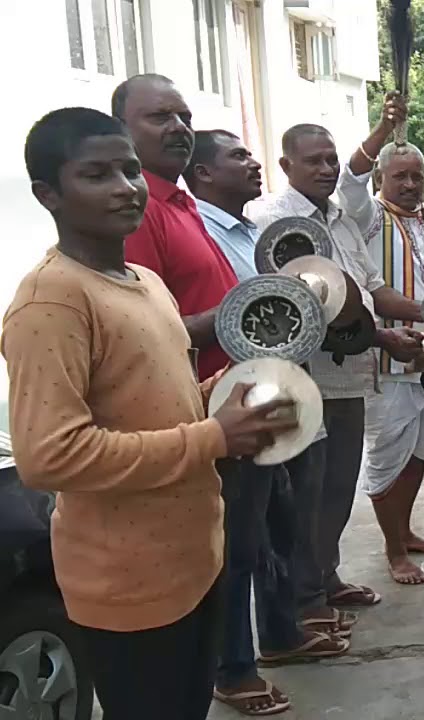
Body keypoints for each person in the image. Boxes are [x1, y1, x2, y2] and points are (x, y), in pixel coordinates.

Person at [5, 106, 295, 720]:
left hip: (194, 561)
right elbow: (48, 455)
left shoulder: (143, 280)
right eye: (97, 175)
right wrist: (214, 435)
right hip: (126, 584)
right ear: (47, 193)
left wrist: (230, 391)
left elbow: (157, 401)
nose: (126, 188)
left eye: (130, 171)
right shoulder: (50, 301)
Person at [187, 129, 349, 715]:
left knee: (279, 522)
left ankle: (279, 635)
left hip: (275, 391)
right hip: (228, 399)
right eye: (238, 157)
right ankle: (232, 668)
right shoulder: (199, 230)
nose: (252, 164)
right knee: (240, 543)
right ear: (203, 172)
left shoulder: (251, 231)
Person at [247, 97, 424, 620]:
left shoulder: (342, 220)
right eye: (314, 161)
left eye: (330, 159)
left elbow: (372, 288)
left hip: (350, 379)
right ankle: (300, 605)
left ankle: (324, 577)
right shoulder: (272, 220)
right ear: (286, 167)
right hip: (307, 380)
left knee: (336, 491)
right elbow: (296, 307)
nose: (326, 169)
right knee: (304, 497)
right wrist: (381, 340)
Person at [354, 137, 424, 585]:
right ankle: (394, 550)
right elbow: (349, 185)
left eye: (417, 176)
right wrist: (381, 130)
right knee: (387, 454)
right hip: (389, 359)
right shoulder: (369, 216)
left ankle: (405, 530)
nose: (411, 184)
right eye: (400, 176)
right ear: (380, 178)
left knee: (419, 451)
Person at [112, 74, 237, 382]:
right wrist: (240, 309)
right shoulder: (134, 210)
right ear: (120, 128)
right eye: (160, 117)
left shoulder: (180, 201)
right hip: (187, 410)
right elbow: (145, 334)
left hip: (226, 400)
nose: (179, 127)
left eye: (185, 118)